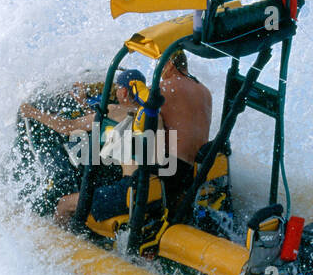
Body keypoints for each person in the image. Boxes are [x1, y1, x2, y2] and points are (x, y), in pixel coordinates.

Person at [19, 68, 147, 227]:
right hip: (148, 185)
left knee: (64, 204)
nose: (116, 92)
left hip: (125, 190)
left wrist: (32, 112)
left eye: (118, 88)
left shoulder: (115, 110)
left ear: (125, 92)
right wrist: (83, 103)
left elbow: (67, 126)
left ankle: (64, 245)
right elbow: (106, 124)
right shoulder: (149, 115)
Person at [154, 49, 212, 208]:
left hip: (172, 169)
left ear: (170, 64)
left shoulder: (164, 87)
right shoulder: (205, 91)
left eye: (160, 65)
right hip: (198, 170)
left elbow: (139, 114)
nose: (159, 71)